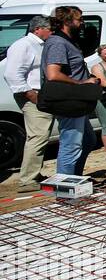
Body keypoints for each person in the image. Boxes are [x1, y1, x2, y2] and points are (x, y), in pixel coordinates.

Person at [40, 6, 100, 176]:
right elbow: (53, 74)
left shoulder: (66, 41)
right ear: (67, 21)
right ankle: (65, 190)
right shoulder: (58, 42)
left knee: (88, 140)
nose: (82, 23)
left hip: (76, 101)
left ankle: (74, 179)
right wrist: (82, 82)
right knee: (70, 145)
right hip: (69, 101)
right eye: (79, 19)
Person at [3, 15, 55, 193]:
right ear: (38, 29)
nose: (52, 32)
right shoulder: (23, 45)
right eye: (50, 28)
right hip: (32, 95)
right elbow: (12, 74)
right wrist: (31, 95)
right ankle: (28, 180)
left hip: (39, 94)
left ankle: (33, 174)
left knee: (40, 136)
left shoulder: (38, 44)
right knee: (38, 137)